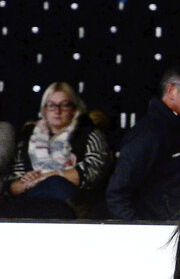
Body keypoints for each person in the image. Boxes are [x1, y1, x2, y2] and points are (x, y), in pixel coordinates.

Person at [105, 67, 180, 221]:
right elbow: (118, 193)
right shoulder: (150, 133)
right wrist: (141, 232)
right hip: (158, 235)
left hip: (176, 230)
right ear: (171, 90)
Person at [1, 82, 112, 219]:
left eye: (64, 105)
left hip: (75, 204)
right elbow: (12, 183)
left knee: (55, 184)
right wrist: (25, 181)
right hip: (33, 202)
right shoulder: (28, 138)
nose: (57, 110)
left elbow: (91, 173)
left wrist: (44, 177)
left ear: (74, 109)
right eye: (51, 105)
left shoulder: (90, 134)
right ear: (44, 109)